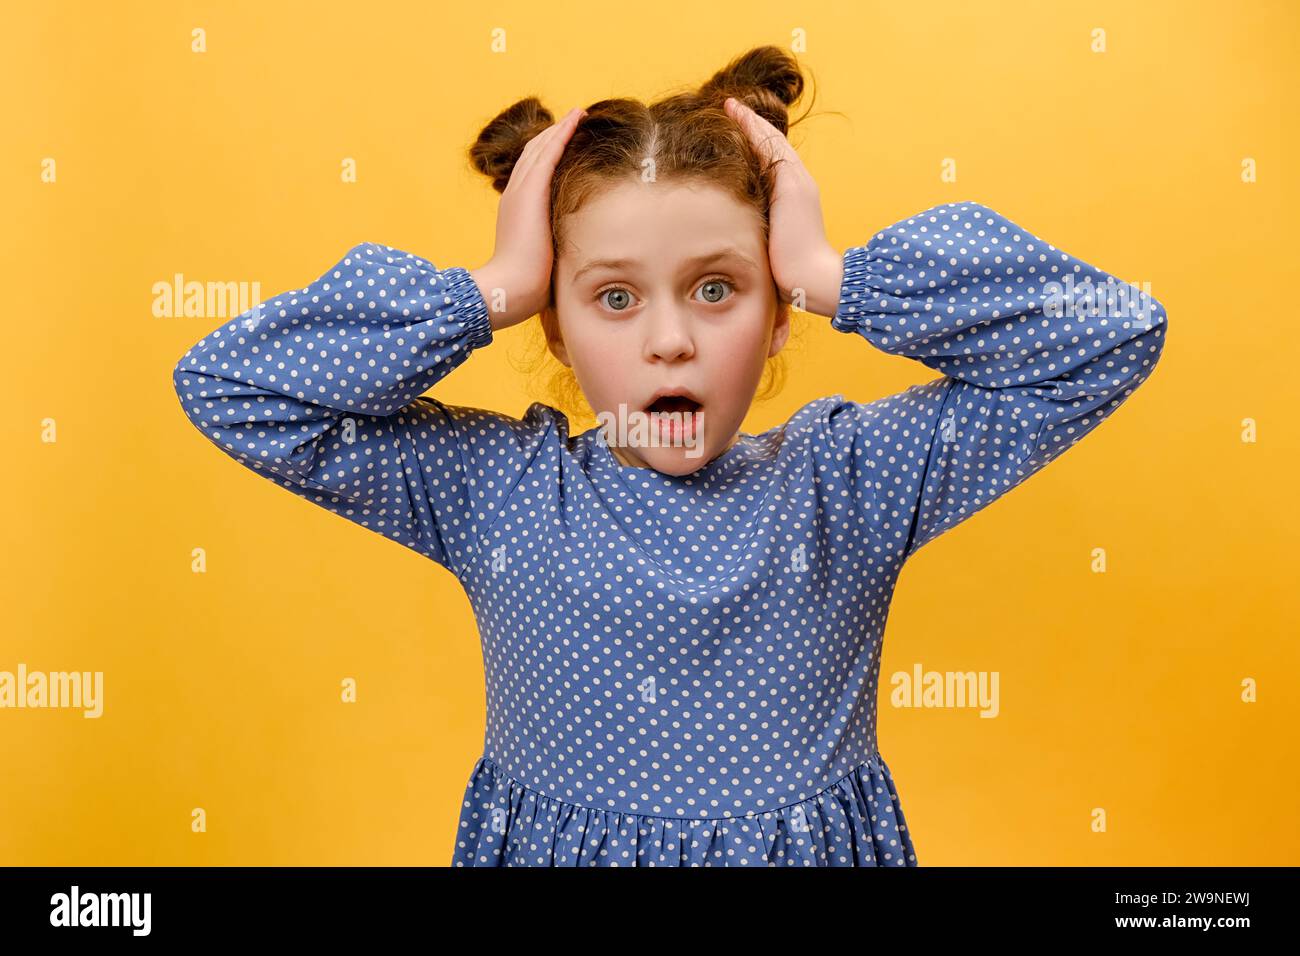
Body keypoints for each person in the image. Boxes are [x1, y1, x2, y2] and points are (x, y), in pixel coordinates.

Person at [172, 46, 1167, 866]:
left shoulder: (849, 483)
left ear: (777, 313)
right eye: (613, 297)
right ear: (555, 326)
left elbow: (1114, 332)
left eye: (716, 289)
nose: (669, 341)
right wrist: (491, 288)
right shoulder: (499, 491)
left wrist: (834, 274)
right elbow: (230, 388)